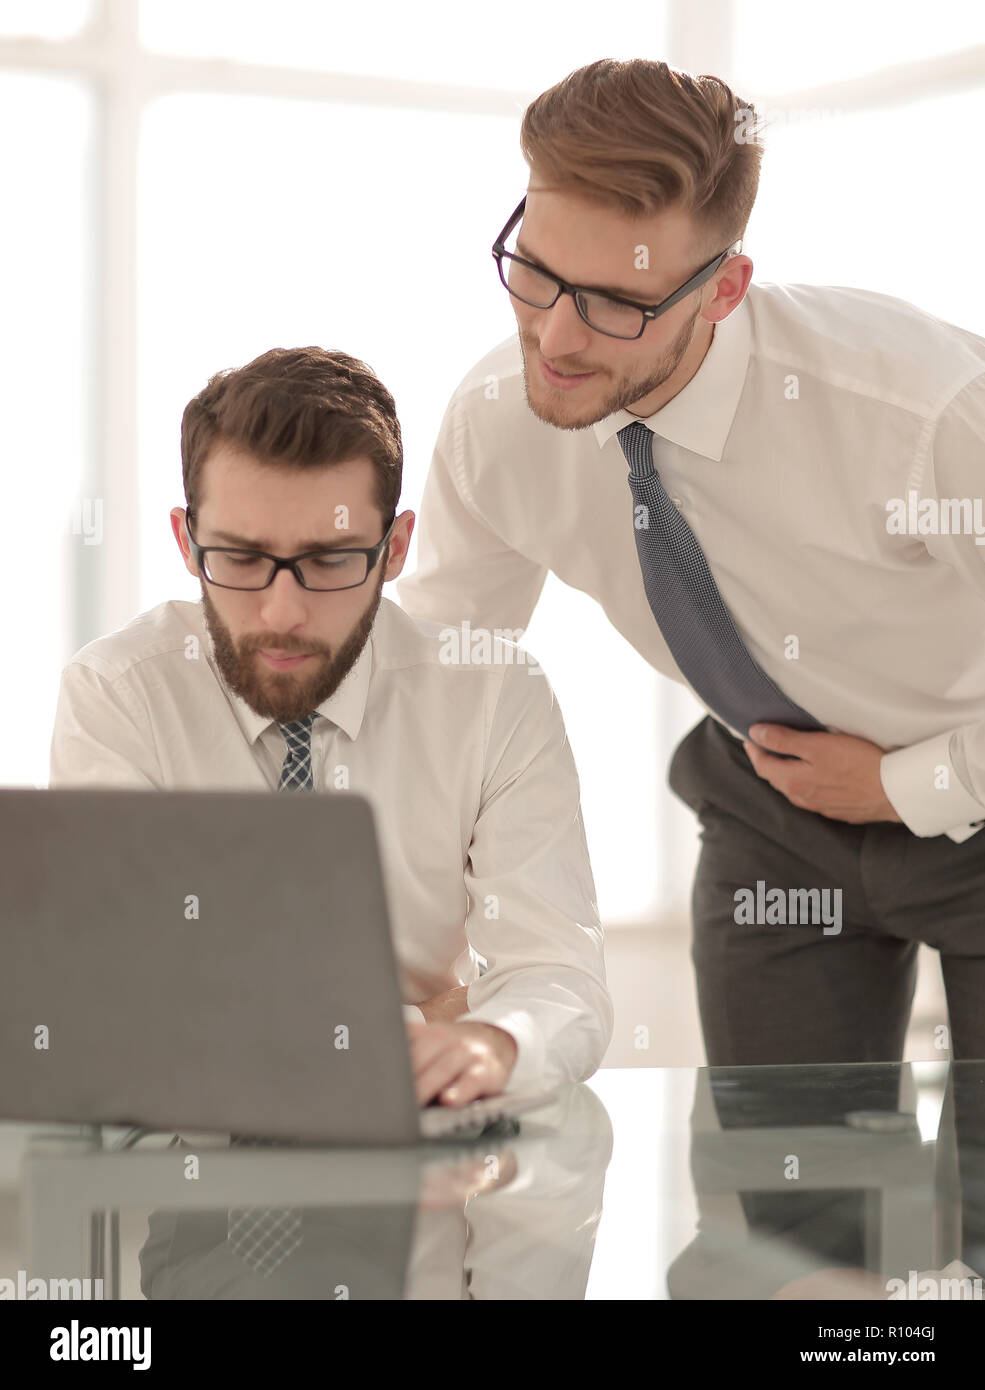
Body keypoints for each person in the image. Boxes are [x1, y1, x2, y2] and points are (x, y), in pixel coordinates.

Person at [397, 58, 985, 1068]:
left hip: (967, 784)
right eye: (535, 272)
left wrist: (915, 784)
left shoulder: (922, 410)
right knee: (787, 1205)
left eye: (616, 302)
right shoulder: (496, 426)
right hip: (771, 810)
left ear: (724, 290)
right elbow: (439, 683)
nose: (555, 336)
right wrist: (404, 944)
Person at [49, 345, 612, 1105]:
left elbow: (559, 977)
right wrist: (425, 1015)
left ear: (396, 549)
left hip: (423, 1154)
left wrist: (489, 1040)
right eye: (242, 559)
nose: (282, 613)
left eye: (330, 560)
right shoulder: (119, 695)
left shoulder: (493, 697)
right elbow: (119, 994)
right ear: (186, 543)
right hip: (188, 1162)